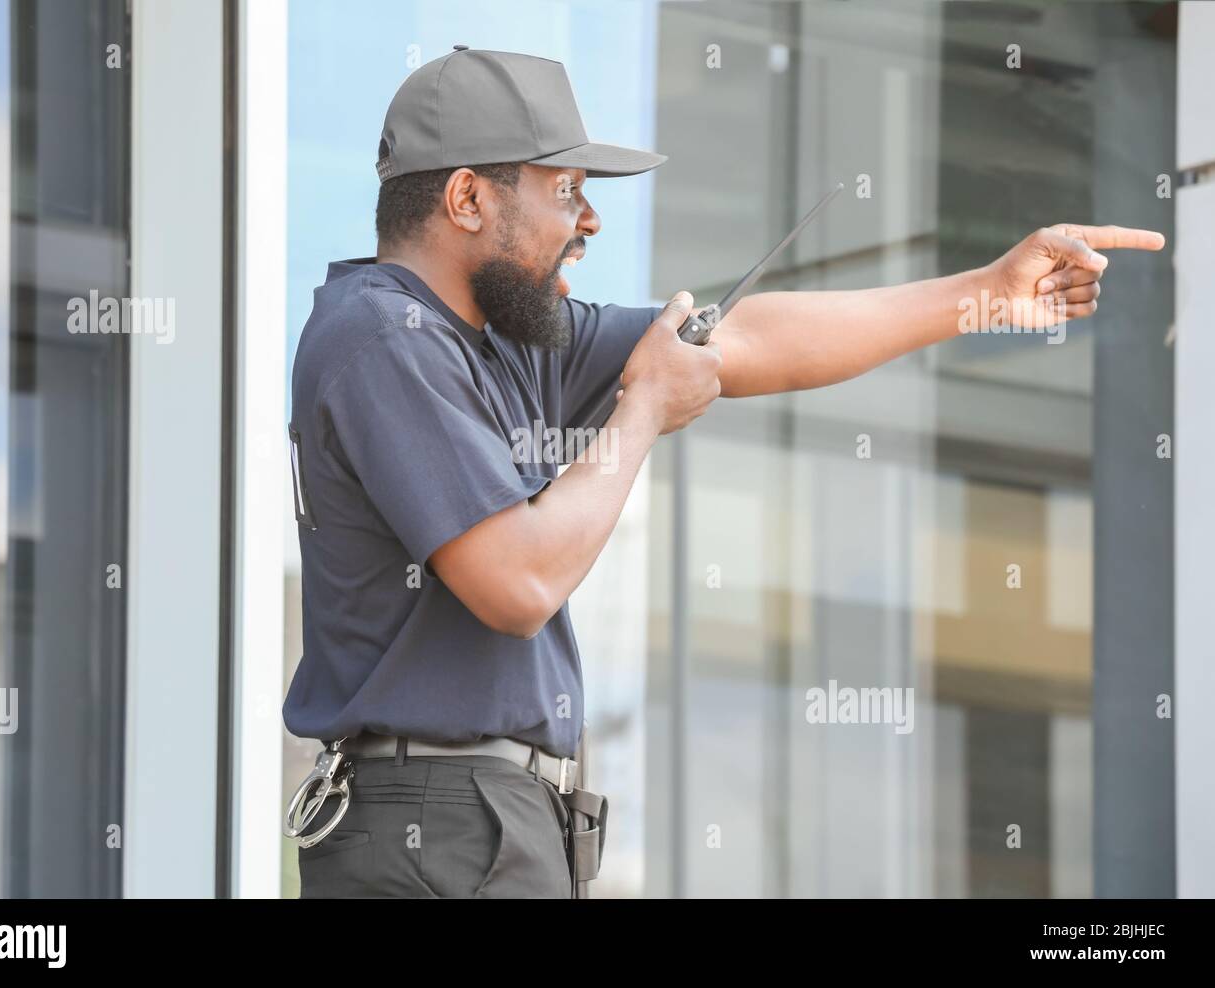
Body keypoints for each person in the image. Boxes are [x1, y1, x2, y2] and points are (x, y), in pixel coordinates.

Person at [282, 46, 1165, 899]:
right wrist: (643, 411)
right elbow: (518, 581)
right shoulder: (382, 338)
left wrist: (981, 296)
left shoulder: (512, 341)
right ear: (468, 197)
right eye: (566, 192)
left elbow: (738, 340)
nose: (588, 221)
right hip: (433, 826)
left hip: (488, 823)